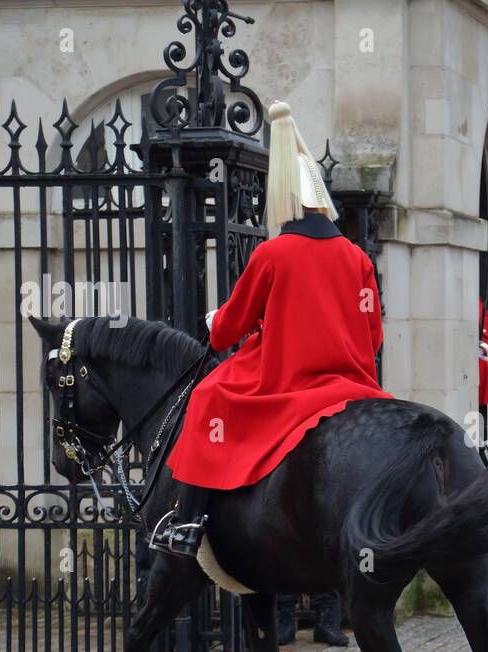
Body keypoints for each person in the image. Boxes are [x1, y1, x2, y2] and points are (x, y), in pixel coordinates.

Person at [154, 102, 391, 555]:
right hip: (349, 380)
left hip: (284, 377)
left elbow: (228, 331)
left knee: (208, 396)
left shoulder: (273, 254)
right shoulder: (357, 257)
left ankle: (188, 521)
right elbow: (374, 336)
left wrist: (214, 320)